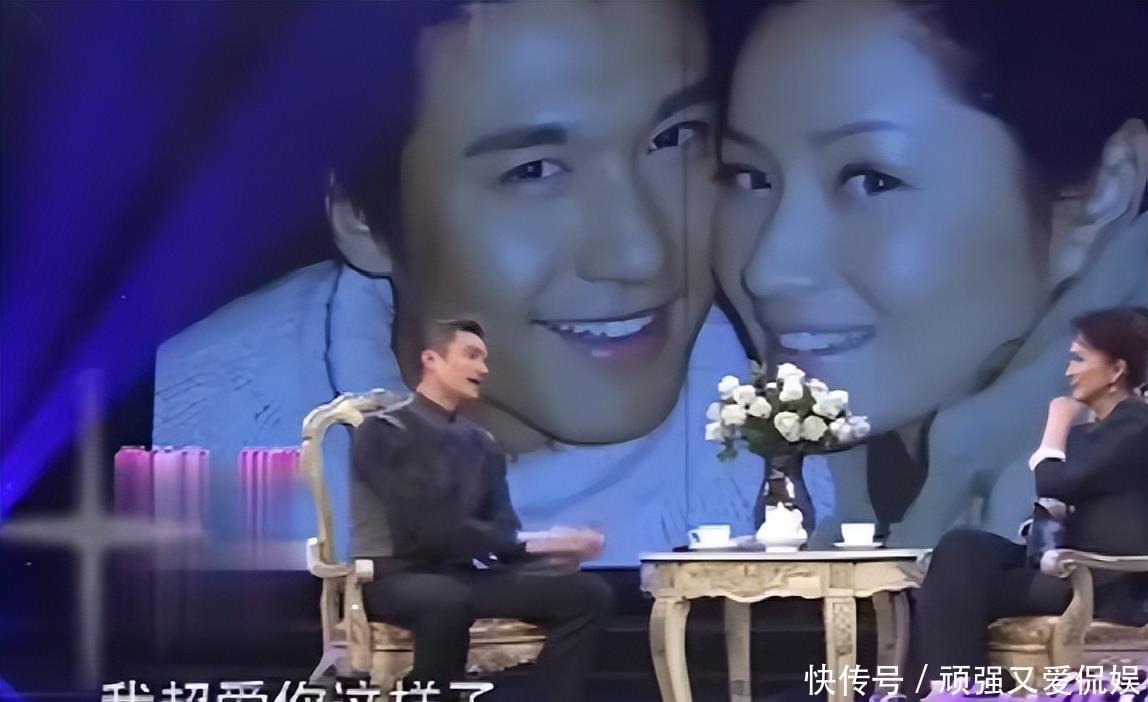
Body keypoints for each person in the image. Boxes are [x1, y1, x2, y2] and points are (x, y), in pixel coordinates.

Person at [154, 0, 761, 565]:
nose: (641, 254)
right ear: (361, 218)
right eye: (534, 171)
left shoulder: (790, 393)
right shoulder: (194, 432)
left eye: (675, 138)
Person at [711, 0, 1148, 546]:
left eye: (871, 180)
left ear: (1103, 191)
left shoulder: (1090, 475)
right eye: (749, 177)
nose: (767, 270)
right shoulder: (891, 481)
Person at [352, 319, 611, 701]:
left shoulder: (481, 442)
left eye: (485, 359)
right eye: (471, 355)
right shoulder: (385, 431)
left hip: (461, 577)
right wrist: (539, 541)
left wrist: (557, 554)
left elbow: (502, 531)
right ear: (431, 359)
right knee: (445, 601)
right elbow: (430, 530)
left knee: (587, 594)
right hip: (397, 577)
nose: (483, 369)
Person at [906, 307, 1148, 699]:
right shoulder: (1097, 432)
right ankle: (957, 688)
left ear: (1116, 370)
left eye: (1079, 359)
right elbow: (1065, 495)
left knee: (955, 589)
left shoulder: (1137, 424)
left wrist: (1057, 421)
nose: (1069, 371)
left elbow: (1053, 481)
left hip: (1103, 583)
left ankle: (951, 690)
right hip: (1065, 567)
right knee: (961, 548)